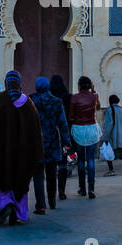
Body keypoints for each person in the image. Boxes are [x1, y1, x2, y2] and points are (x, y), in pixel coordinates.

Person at [0, 71, 43, 226]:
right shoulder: (28, 102)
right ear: (19, 83)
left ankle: (6, 204)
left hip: (0, 151)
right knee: (20, 182)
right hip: (23, 153)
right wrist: (37, 152)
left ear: (7, 83)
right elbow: (36, 130)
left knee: (0, 180)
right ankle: (20, 214)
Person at [30, 76, 72, 213]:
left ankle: (41, 205)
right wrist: (66, 142)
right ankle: (52, 201)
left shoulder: (31, 100)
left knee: (38, 175)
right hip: (53, 141)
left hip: (36, 141)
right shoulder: (56, 101)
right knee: (51, 172)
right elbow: (63, 123)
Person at [68, 76, 102, 198]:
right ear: (90, 85)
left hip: (79, 129)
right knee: (91, 160)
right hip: (92, 128)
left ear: (79, 85)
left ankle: (82, 188)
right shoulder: (95, 96)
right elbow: (98, 107)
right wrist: (93, 91)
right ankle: (91, 188)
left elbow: (71, 116)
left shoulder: (74, 97)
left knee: (81, 161)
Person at [48, 74, 74, 196]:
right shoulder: (68, 97)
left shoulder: (48, 98)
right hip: (63, 133)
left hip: (49, 135)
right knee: (63, 163)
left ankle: (51, 193)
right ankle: (61, 190)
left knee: (51, 164)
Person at [102, 94, 122, 175]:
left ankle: (111, 170)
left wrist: (105, 137)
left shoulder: (109, 110)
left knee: (108, 152)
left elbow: (108, 125)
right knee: (121, 152)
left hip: (112, 136)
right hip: (121, 135)